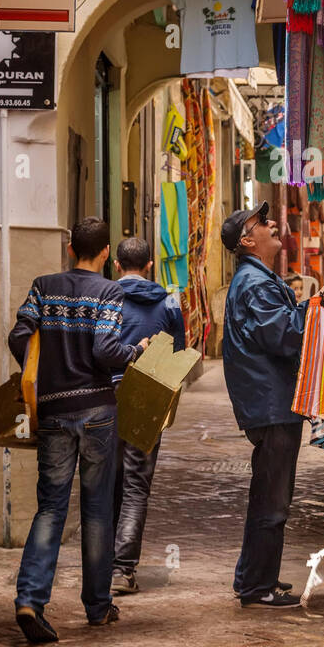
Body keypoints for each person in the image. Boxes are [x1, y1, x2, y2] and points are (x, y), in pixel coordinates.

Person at [9, 217, 149, 643]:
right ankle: (97, 605)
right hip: (97, 412)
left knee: (50, 508)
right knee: (96, 509)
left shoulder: (43, 285)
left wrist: (43, 371)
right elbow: (106, 350)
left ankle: (30, 600)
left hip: (53, 411)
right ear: (106, 253)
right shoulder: (108, 291)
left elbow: (19, 337)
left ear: (71, 249)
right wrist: (135, 351)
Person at [221, 201, 324, 608]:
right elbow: (283, 334)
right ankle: (256, 587)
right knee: (273, 499)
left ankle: (253, 577)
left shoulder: (258, 279)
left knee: (269, 493)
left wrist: (318, 303)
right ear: (248, 240)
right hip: (271, 404)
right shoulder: (255, 283)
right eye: (263, 222)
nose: (273, 223)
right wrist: (323, 300)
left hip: (272, 402)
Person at [111, 235, 186, 597]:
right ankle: (122, 570)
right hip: (148, 394)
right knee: (136, 484)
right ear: (150, 266)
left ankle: (100, 566)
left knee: (104, 481)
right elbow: (179, 352)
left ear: (116, 266)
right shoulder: (169, 299)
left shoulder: (105, 297)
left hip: (104, 395)